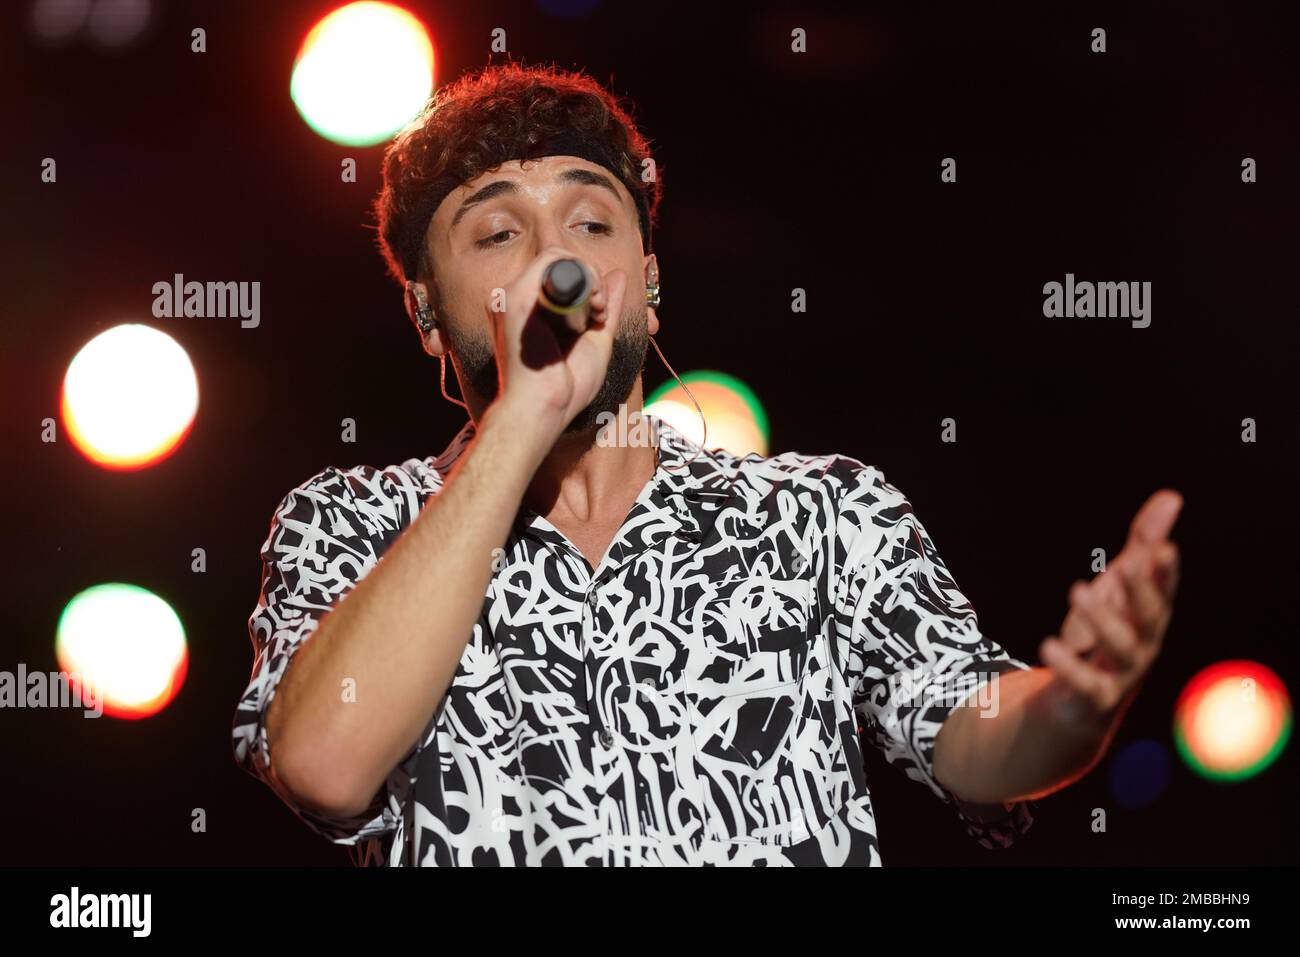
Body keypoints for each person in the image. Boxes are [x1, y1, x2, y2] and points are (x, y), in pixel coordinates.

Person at [231, 63, 1182, 866]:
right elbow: (322, 763)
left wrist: (1079, 696)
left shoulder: (819, 512)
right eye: (497, 233)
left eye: (591, 224)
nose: (554, 261)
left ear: (646, 278)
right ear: (428, 313)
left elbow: (972, 733)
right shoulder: (352, 522)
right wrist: (526, 418)